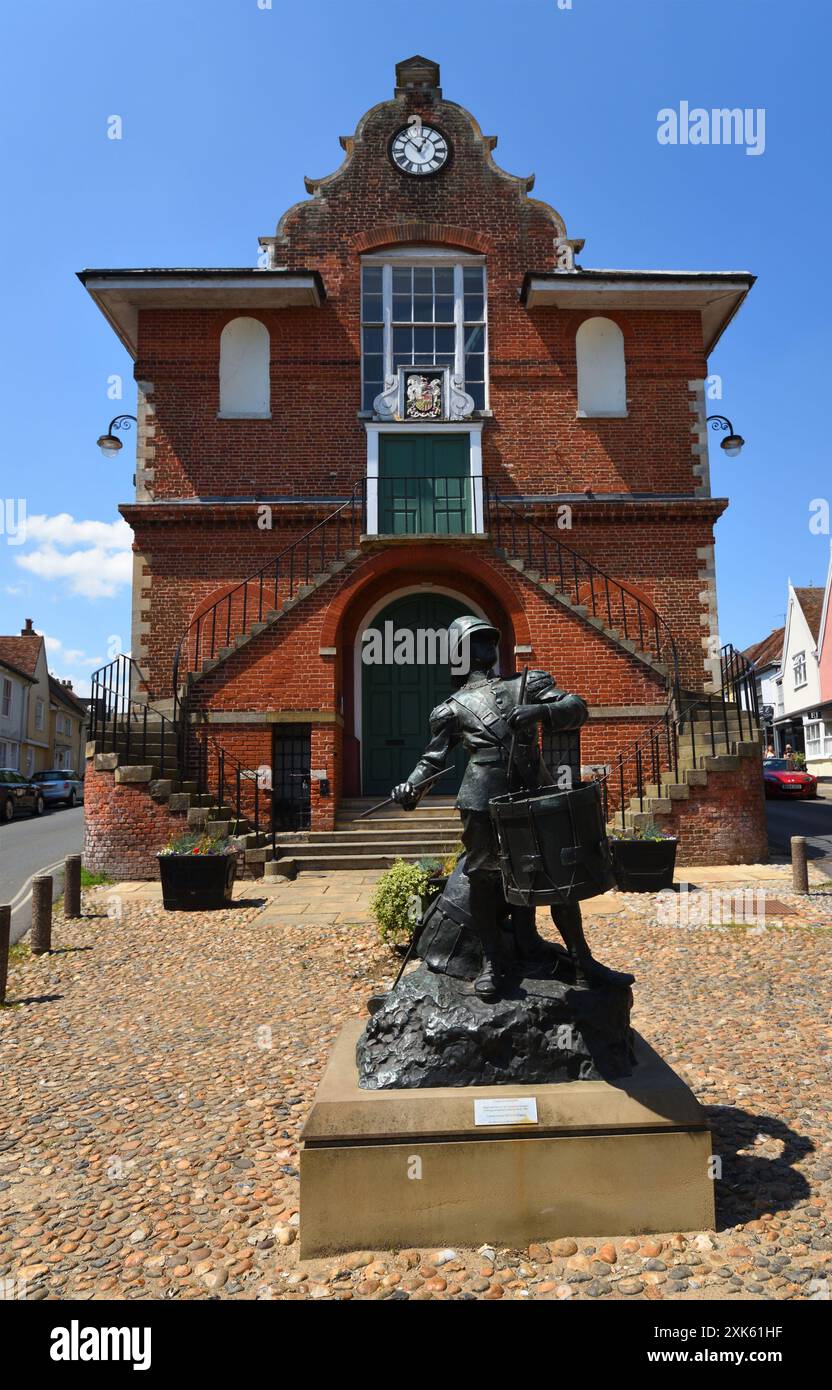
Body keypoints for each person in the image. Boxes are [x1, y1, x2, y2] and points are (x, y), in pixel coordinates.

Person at [391, 615, 622, 1000]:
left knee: (559, 876)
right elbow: (432, 761)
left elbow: (577, 708)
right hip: (482, 800)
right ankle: (494, 961)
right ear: (460, 653)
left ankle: (583, 962)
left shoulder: (527, 684)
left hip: (535, 794)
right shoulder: (451, 708)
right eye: (477, 643)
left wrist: (541, 713)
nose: (488, 649)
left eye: (490, 641)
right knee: (485, 881)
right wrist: (410, 786)